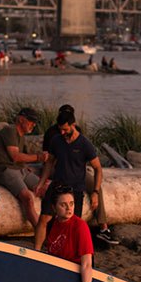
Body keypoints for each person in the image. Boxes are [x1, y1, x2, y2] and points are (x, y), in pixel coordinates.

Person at [35, 104, 113, 248]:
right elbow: (49, 163)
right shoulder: (56, 140)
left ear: (73, 125)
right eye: (60, 129)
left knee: (72, 223)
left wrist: (95, 192)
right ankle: (37, 251)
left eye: (65, 129)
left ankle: (69, 253)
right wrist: (41, 183)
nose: (63, 132)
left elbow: (98, 168)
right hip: (57, 185)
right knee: (44, 218)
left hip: (75, 189)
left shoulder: (85, 144)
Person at [0, 107, 43, 229]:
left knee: (46, 188)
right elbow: (15, 156)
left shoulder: (21, 135)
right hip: (5, 170)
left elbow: (24, 157)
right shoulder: (10, 130)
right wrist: (39, 157)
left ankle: (53, 223)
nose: (33, 125)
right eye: (30, 121)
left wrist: (28, 166)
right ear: (21, 119)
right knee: (28, 198)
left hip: (20, 170)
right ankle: (40, 230)